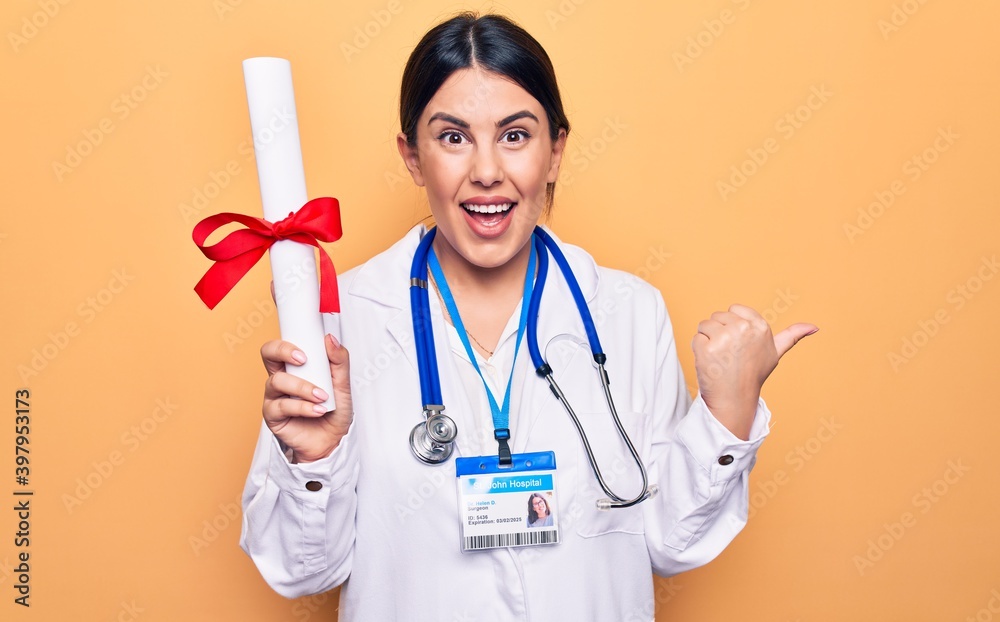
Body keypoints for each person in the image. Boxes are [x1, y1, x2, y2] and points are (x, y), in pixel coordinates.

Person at [240, 11, 816, 621]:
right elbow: (301, 572)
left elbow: (674, 543)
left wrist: (728, 413)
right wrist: (314, 461)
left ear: (555, 150)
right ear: (413, 157)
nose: (487, 171)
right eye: (453, 137)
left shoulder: (627, 312)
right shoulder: (341, 321)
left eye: (514, 135)